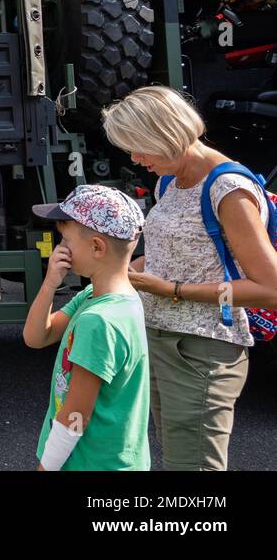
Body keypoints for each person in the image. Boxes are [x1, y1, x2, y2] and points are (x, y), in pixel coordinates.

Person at [101, 85, 277, 470]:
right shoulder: (170, 180)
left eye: (137, 146)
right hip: (163, 340)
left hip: (203, 349)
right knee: (179, 458)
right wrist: (131, 269)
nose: (134, 158)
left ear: (163, 135)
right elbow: (179, 254)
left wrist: (174, 291)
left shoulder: (228, 189)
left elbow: (270, 290)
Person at [24, 185, 150, 471]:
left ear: (97, 247)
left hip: (88, 463)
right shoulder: (105, 298)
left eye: (66, 239)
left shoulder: (99, 321)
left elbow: (75, 415)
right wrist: (49, 284)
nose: (61, 248)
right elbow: (36, 337)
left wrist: (46, 467)